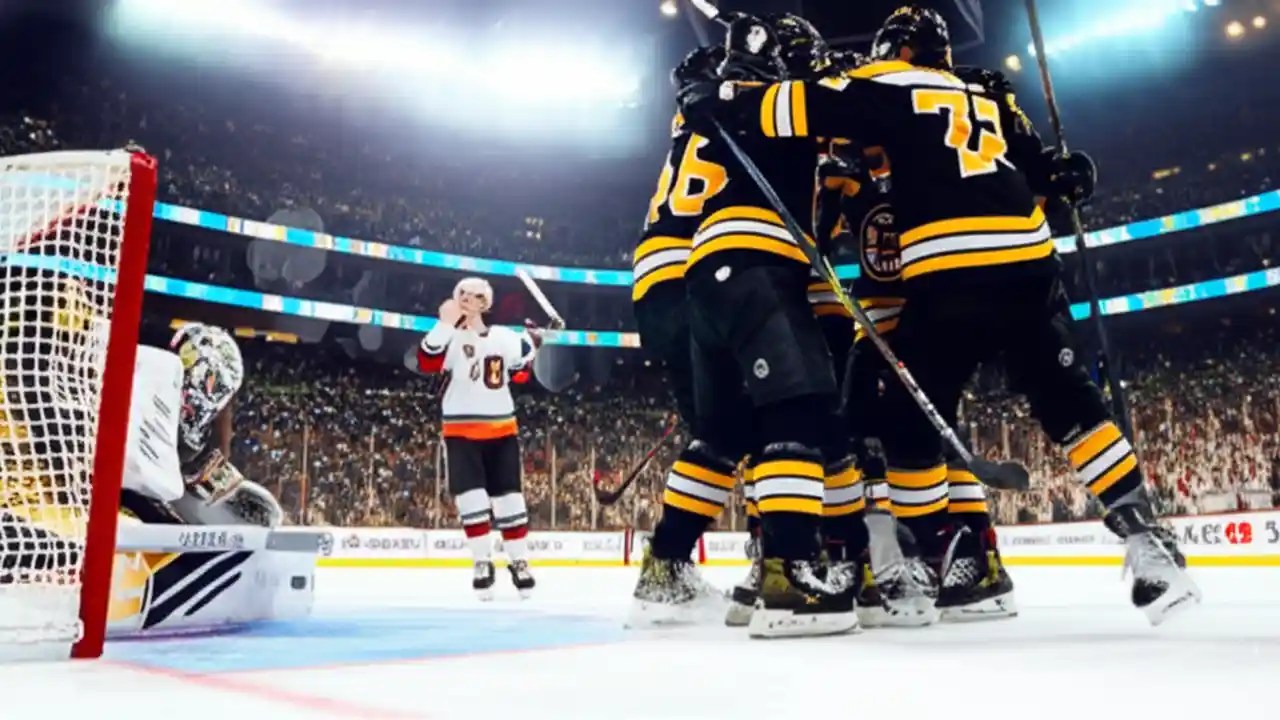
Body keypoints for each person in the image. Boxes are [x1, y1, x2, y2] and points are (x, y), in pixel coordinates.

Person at [682, 4, 1200, 626]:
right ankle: (1148, 540)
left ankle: (939, 553)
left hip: (951, 273)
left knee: (902, 423)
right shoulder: (981, 92)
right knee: (1070, 402)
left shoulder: (886, 86)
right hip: (1031, 265)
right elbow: (1040, 173)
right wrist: (1065, 175)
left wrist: (721, 102)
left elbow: (791, 109)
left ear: (896, 52)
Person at [418, 277, 540, 600]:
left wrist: (534, 345)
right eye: (464, 295)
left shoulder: (503, 337)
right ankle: (482, 562)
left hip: (501, 428)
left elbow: (521, 372)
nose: (469, 300)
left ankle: (519, 561)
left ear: (486, 302)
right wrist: (444, 325)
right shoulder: (449, 335)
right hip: (460, 430)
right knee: (471, 499)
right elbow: (426, 361)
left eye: (476, 296)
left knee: (510, 499)